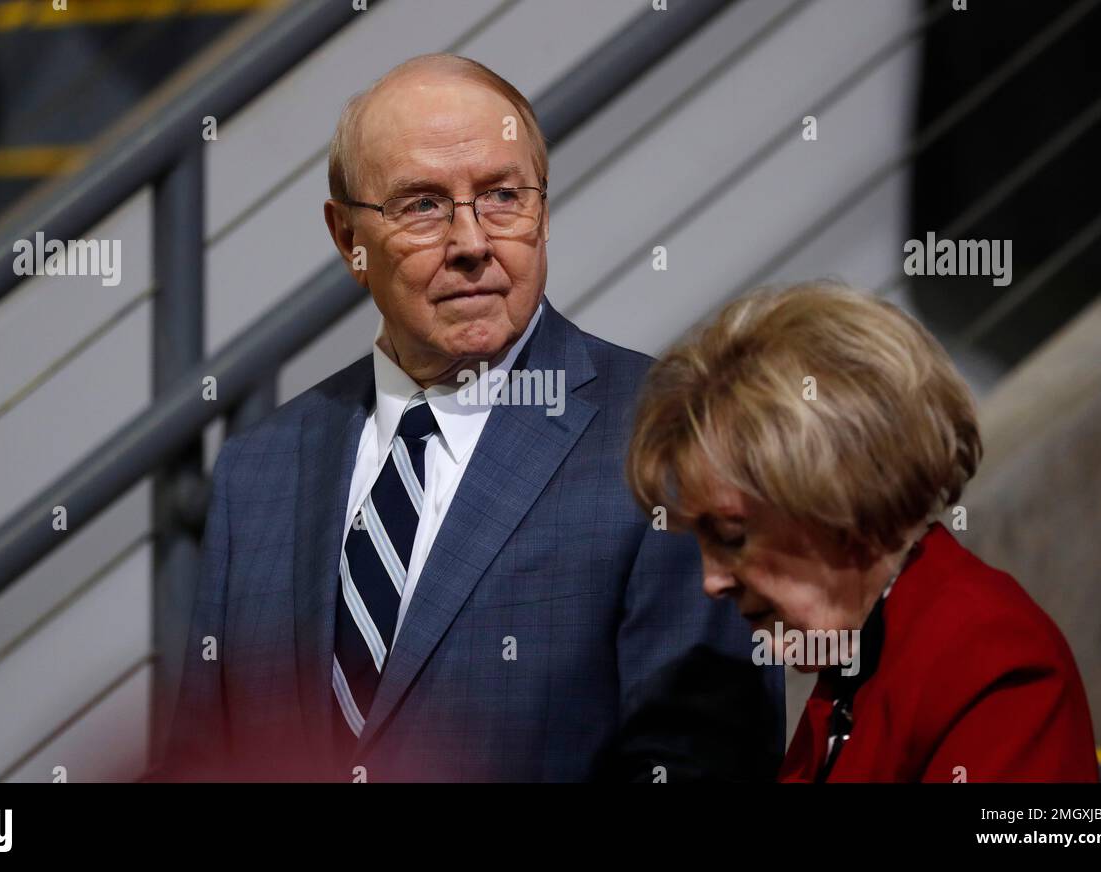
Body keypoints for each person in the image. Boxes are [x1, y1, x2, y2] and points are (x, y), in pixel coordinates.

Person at [163, 53, 782, 782]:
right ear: (347, 240)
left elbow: (702, 766)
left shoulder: (671, 433)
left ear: (543, 213)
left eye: (502, 197)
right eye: (422, 204)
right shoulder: (258, 471)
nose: (471, 243)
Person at [626, 281, 1099, 782]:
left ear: (835, 498)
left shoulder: (992, 664)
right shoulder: (857, 659)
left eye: (730, 535)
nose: (712, 580)